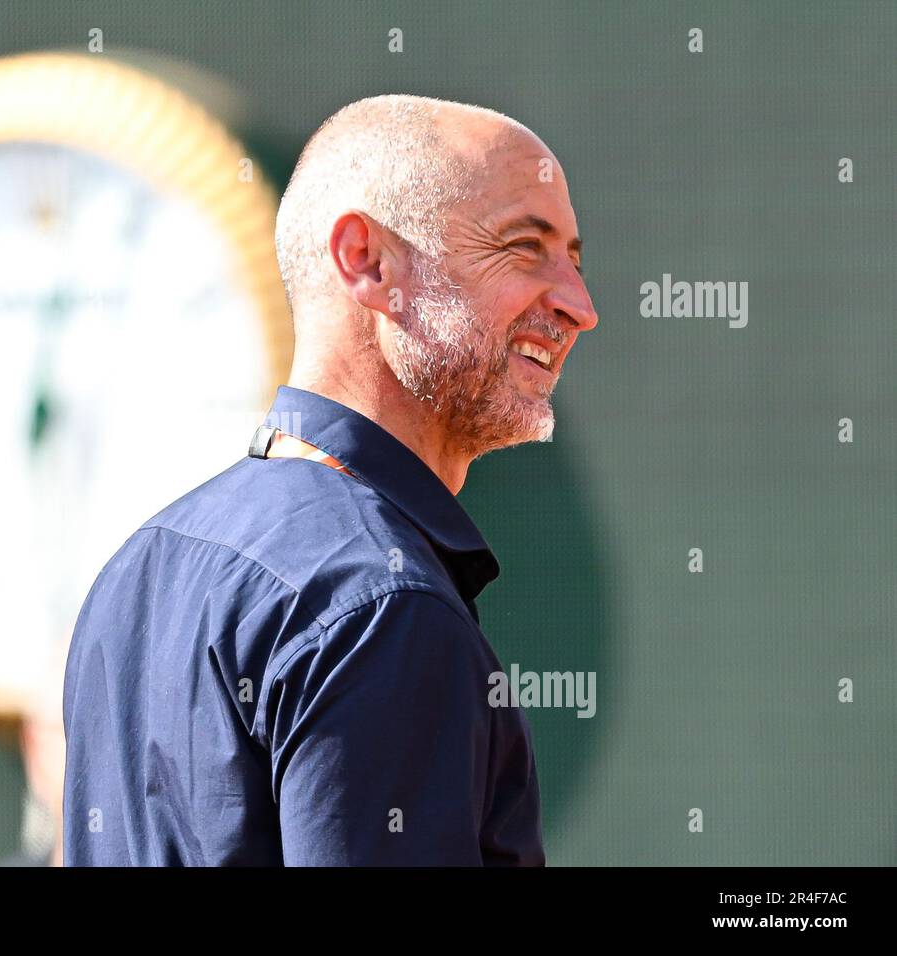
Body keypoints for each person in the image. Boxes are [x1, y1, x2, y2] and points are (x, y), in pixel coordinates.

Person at [62, 94, 598, 865]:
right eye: (524, 247)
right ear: (367, 261)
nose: (579, 306)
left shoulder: (141, 565)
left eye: (574, 261)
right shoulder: (383, 607)